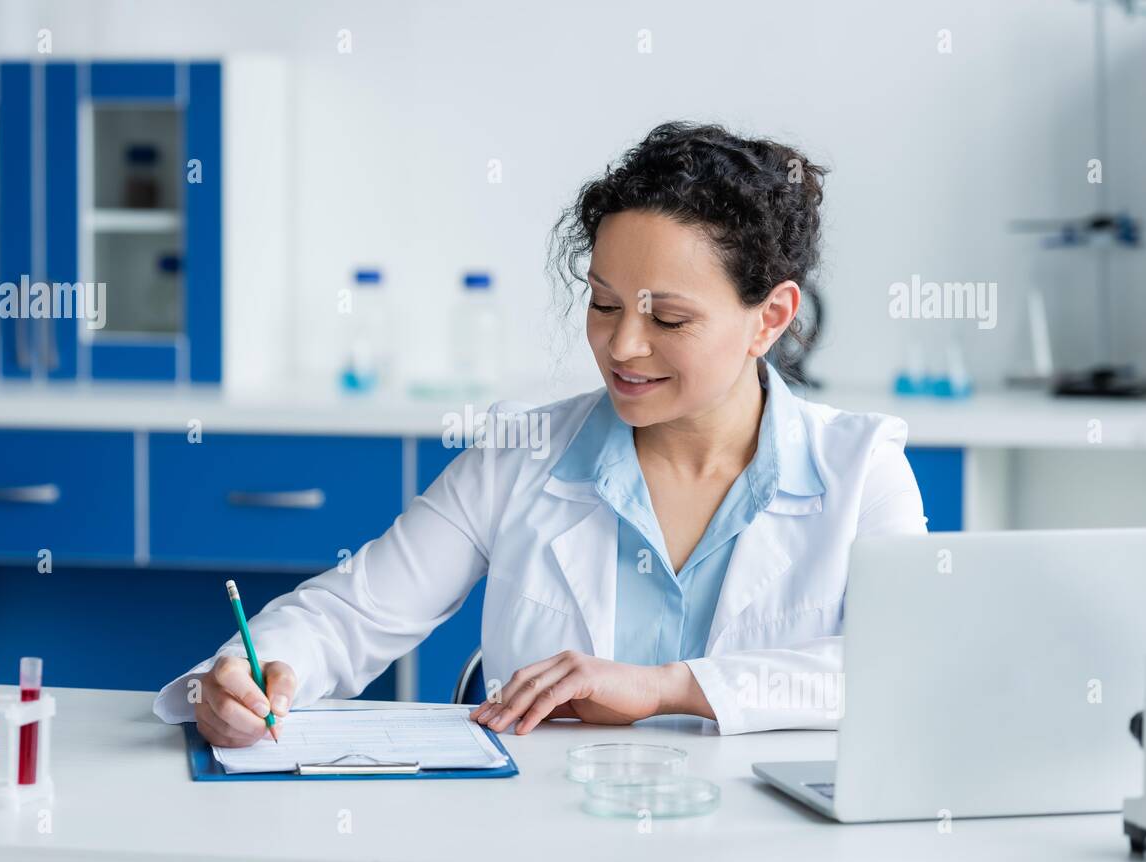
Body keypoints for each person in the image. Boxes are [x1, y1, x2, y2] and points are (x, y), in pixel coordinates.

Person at [153, 121, 927, 744]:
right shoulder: (520, 455)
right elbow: (352, 612)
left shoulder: (861, 470)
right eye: (603, 303)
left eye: (668, 317)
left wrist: (663, 687)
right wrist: (244, 678)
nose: (622, 345)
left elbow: (907, 669)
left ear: (773, 317)